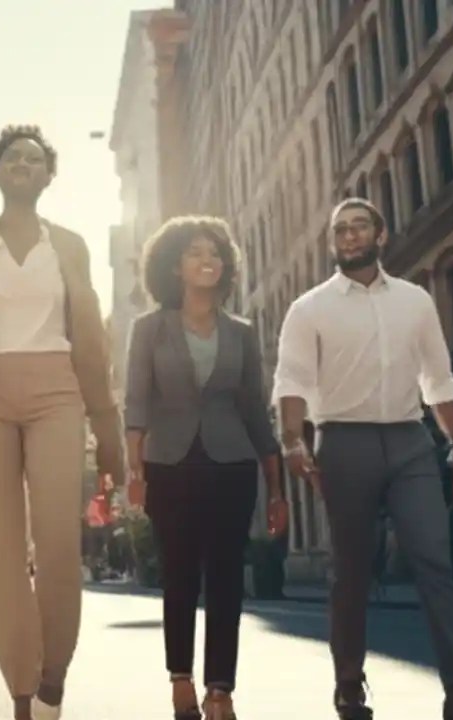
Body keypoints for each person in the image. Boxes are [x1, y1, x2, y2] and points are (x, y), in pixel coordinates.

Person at [272, 197, 453, 720]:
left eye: (360, 227)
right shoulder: (309, 308)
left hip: (409, 440)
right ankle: (349, 688)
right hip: (343, 440)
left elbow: (437, 378)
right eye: (341, 230)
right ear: (333, 242)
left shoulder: (415, 301)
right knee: (352, 570)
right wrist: (293, 441)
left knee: (434, 559)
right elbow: (290, 381)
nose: (350, 236)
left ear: (381, 235)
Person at [0, 124, 125, 720]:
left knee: (59, 541)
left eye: (35, 159)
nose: (23, 164)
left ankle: (53, 677)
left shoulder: (69, 244)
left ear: (48, 176)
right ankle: (21, 690)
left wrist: (107, 422)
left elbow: (89, 333)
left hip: (57, 391)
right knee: (4, 549)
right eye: (13, 157)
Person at [122, 216, 286, 720]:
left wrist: (276, 488)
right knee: (179, 574)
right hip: (169, 463)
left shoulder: (241, 332)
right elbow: (136, 404)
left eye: (214, 251)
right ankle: (180, 680)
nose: (207, 259)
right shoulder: (148, 329)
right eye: (195, 252)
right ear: (175, 265)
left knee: (226, 578)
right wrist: (134, 471)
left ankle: (220, 689)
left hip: (232, 463)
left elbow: (257, 412)